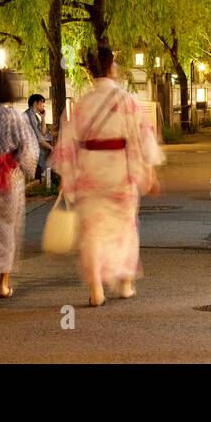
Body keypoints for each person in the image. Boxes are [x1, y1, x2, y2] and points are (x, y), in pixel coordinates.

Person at [51, 46, 164, 307]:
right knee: (124, 227)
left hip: (89, 173)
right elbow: (140, 137)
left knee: (92, 232)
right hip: (119, 172)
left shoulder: (83, 103)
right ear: (112, 69)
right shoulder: (126, 100)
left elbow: (68, 143)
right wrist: (148, 172)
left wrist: (68, 178)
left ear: (90, 72)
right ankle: (124, 283)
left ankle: (96, 290)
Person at [0, 69, 38, 299]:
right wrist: (26, 167)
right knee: (9, 229)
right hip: (10, 178)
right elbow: (29, 149)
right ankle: (4, 283)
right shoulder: (16, 117)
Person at [25, 93, 54, 179]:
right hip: (28, 145)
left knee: (49, 142)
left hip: (34, 142)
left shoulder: (34, 115)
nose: (43, 106)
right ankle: (44, 172)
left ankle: (45, 172)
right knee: (47, 147)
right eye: (42, 103)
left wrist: (43, 117)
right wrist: (51, 147)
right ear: (35, 103)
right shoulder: (29, 116)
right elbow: (39, 139)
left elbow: (43, 132)